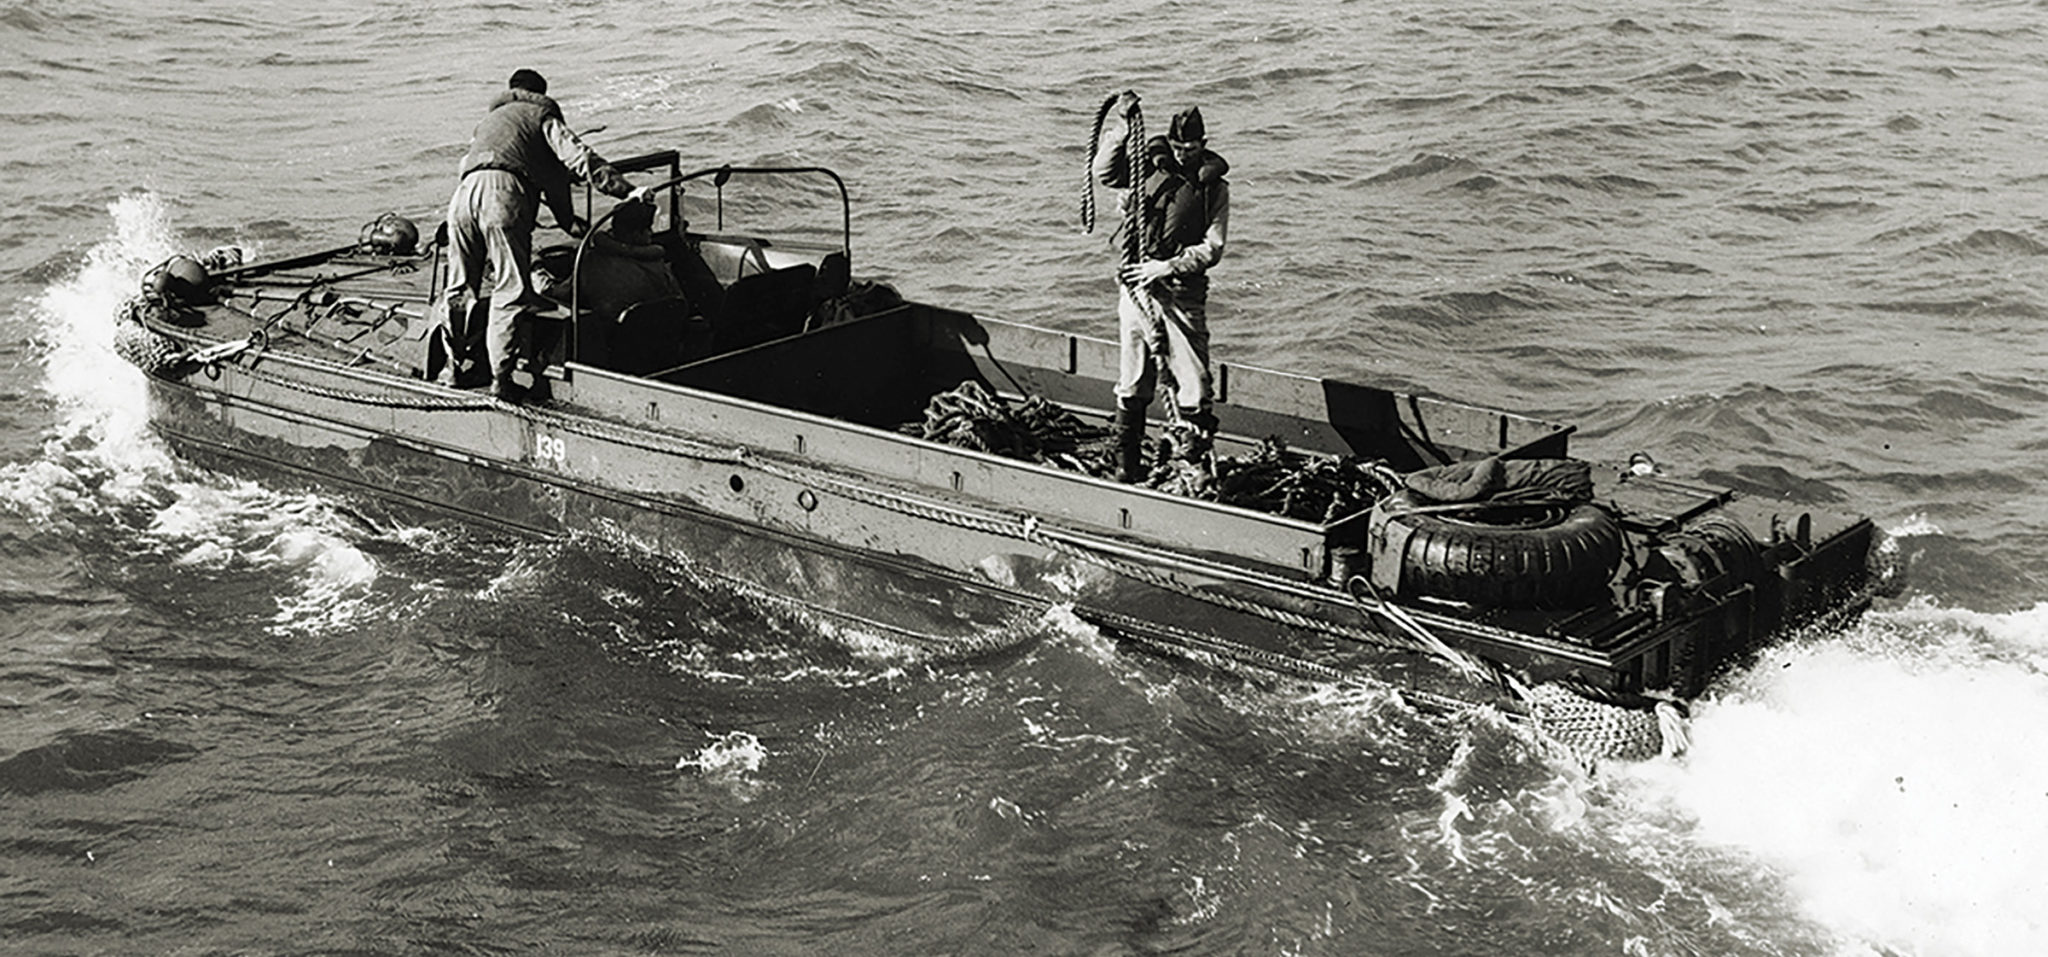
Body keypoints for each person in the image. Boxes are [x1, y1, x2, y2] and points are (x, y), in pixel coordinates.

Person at [443, 68, 653, 402]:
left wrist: (569, 222)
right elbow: (579, 159)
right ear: (540, 93)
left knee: (459, 288)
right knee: (511, 289)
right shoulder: (542, 116)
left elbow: (539, 180)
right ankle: (501, 379)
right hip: (501, 196)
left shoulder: (489, 123)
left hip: (461, 197)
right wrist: (627, 191)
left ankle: (453, 370)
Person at [1090, 94, 1231, 482]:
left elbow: (1213, 247)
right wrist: (1121, 129)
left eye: (1194, 148)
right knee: (1133, 378)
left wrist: (1167, 266)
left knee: (1194, 381)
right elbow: (1103, 172)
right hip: (1136, 290)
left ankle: (1195, 470)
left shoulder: (1214, 190)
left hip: (1181, 292)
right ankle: (1126, 465)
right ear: (1170, 144)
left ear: (1204, 145)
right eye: (1180, 147)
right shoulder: (1148, 169)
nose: (1186, 154)